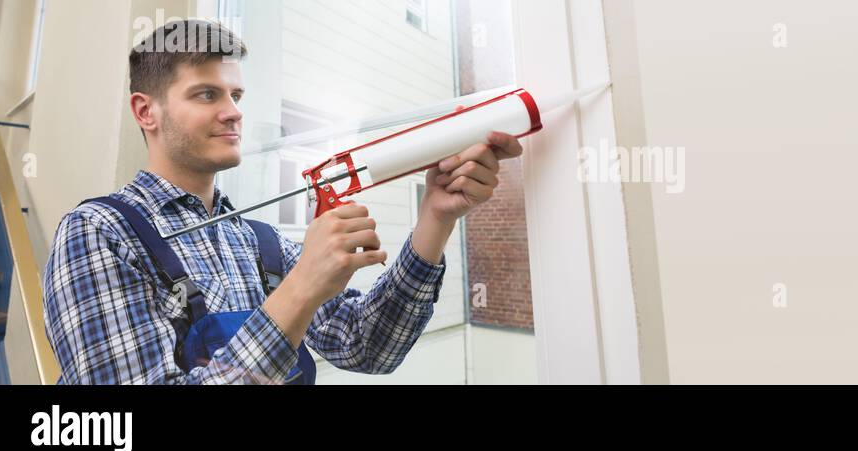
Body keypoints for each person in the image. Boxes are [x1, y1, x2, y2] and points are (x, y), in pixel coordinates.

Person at [42, 19, 522, 384]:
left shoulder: (260, 243)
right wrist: (301, 288)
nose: (233, 113)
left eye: (236, 94)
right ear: (146, 111)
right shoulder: (98, 233)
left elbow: (369, 346)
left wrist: (435, 219)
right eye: (207, 94)